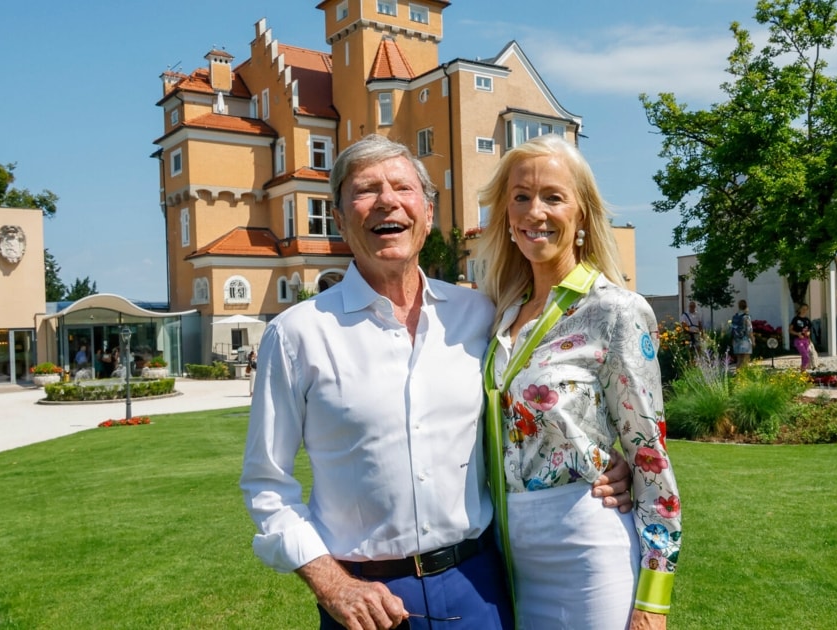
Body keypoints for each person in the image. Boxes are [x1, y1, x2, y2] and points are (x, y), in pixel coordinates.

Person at [239, 134, 632, 630]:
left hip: (480, 586)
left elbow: (529, 406)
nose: (386, 200)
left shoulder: (482, 315)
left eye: (401, 187)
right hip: (367, 600)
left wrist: (596, 460)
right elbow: (266, 484)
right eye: (365, 190)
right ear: (339, 218)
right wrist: (333, 584)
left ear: (427, 213)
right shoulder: (296, 335)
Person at [478, 133, 682, 630]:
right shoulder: (498, 313)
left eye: (553, 196)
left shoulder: (615, 311)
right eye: (521, 197)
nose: (534, 211)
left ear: (583, 214)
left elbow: (650, 459)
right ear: (506, 216)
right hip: (499, 552)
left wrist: (653, 602)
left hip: (582, 550)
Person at [790, 303, 815, 370]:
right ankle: (803, 370)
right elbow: (790, 330)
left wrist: (808, 333)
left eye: (806, 309)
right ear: (800, 309)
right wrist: (798, 334)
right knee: (806, 356)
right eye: (803, 309)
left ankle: (803, 373)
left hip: (806, 340)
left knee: (804, 357)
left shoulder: (807, 320)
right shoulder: (795, 319)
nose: (804, 310)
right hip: (798, 340)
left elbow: (809, 330)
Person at [731, 299, 755, 369]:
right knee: (745, 360)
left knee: (739, 360)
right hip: (745, 340)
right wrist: (753, 341)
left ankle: (737, 375)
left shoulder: (735, 317)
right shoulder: (746, 317)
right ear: (746, 306)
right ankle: (743, 376)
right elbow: (749, 330)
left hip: (736, 340)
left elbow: (732, 329)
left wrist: (732, 339)